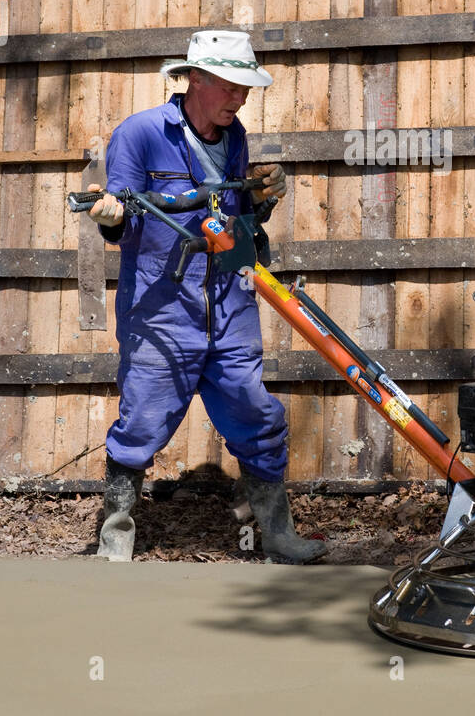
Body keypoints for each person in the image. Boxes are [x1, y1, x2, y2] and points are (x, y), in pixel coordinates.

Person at [87, 29, 326, 565]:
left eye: (245, 88)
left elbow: (232, 221)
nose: (240, 97)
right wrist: (111, 221)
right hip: (160, 305)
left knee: (255, 411)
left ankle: (278, 533)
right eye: (230, 86)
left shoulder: (233, 136)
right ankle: (116, 534)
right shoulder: (140, 134)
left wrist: (261, 201)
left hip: (229, 299)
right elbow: (122, 223)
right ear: (195, 78)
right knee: (143, 419)